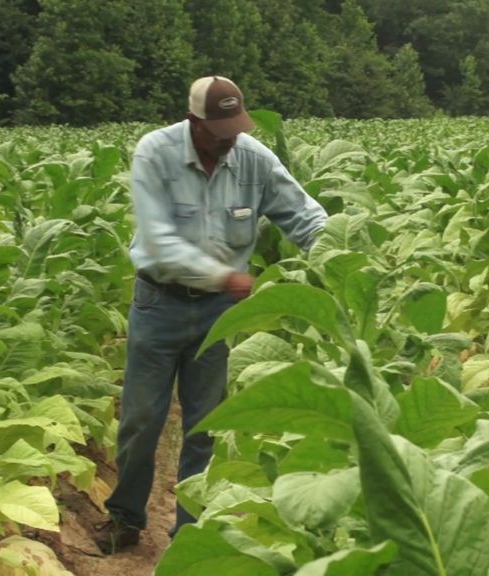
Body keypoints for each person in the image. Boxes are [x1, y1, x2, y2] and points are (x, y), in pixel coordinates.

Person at [94, 75, 327, 554]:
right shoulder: (155, 153)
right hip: (159, 303)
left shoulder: (252, 158)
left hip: (220, 313)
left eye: (235, 129)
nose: (229, 141)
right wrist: (226, 277)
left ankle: (191, 533)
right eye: (219, 131)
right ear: (192, 121)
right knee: (142, 419)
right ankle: (125, 518)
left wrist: (341, 251)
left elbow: (304, 215)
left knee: (206, 424)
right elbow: (159, 241)